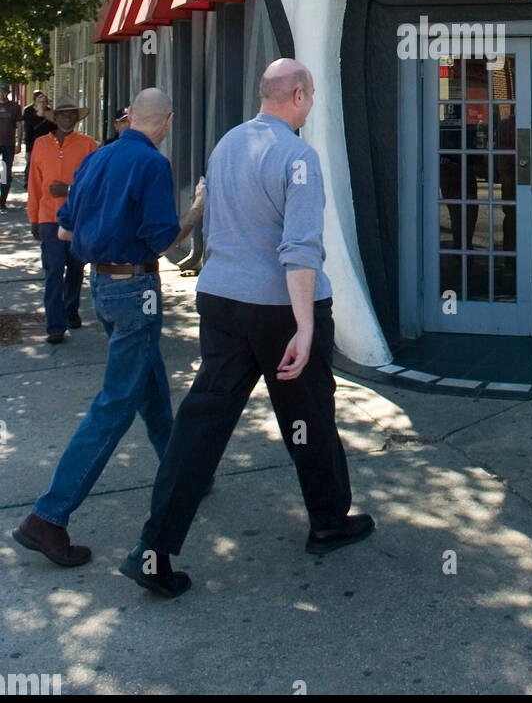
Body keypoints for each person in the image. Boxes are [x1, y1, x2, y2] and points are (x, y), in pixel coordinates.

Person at [121, 58, 373, 599]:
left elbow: (213, 217)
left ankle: (153, 548)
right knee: (309, 414)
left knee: (201, 423)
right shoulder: (298, 157)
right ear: (300, 95)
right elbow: (300, 249)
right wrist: (304, 326)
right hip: (278, 308)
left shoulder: (226, 145)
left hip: (220, 299)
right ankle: (328, 520)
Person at [12, 88, 205, 568]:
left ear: (129, 119)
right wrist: (200, 208)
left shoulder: (97, 158)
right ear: (168, 121)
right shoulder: (153, 165)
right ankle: (48, 516)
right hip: (134, 286)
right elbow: (162, 241)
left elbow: (64, 230)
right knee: (115, 405)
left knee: (151, 388)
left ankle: (184, 475)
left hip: (101, 288)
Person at [27, 94, 98, 340]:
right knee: (53, 269)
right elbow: (34, 184)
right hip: (48, 216)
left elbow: (95, 184)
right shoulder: (40, 144)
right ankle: (55, 326)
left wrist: (68, 190)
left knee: (76, 267)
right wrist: (33, 217)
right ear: (54, 118)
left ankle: (71, 310)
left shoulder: (89, 145)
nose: (68, 119)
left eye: (72, 115)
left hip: (78, 218)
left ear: (77, 119)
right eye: (63, 115)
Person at [22, 90, 52, 190]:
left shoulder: (51, 115)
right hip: (34, 145)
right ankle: (30, 184)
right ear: (35, 103)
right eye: (40, 101)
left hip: (48, 146)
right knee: (32, 166)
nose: (42, 104)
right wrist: (28, 151)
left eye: (44, 101)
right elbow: (28, 133)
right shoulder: (30, 114)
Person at [0, 83, 23, 210]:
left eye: (3, 91)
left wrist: (19, 143)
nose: (1, 94)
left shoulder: (14, 107)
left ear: (8, 93)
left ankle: (2, 199)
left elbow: (20, 125)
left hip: (8, 144)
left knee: (5, 173)